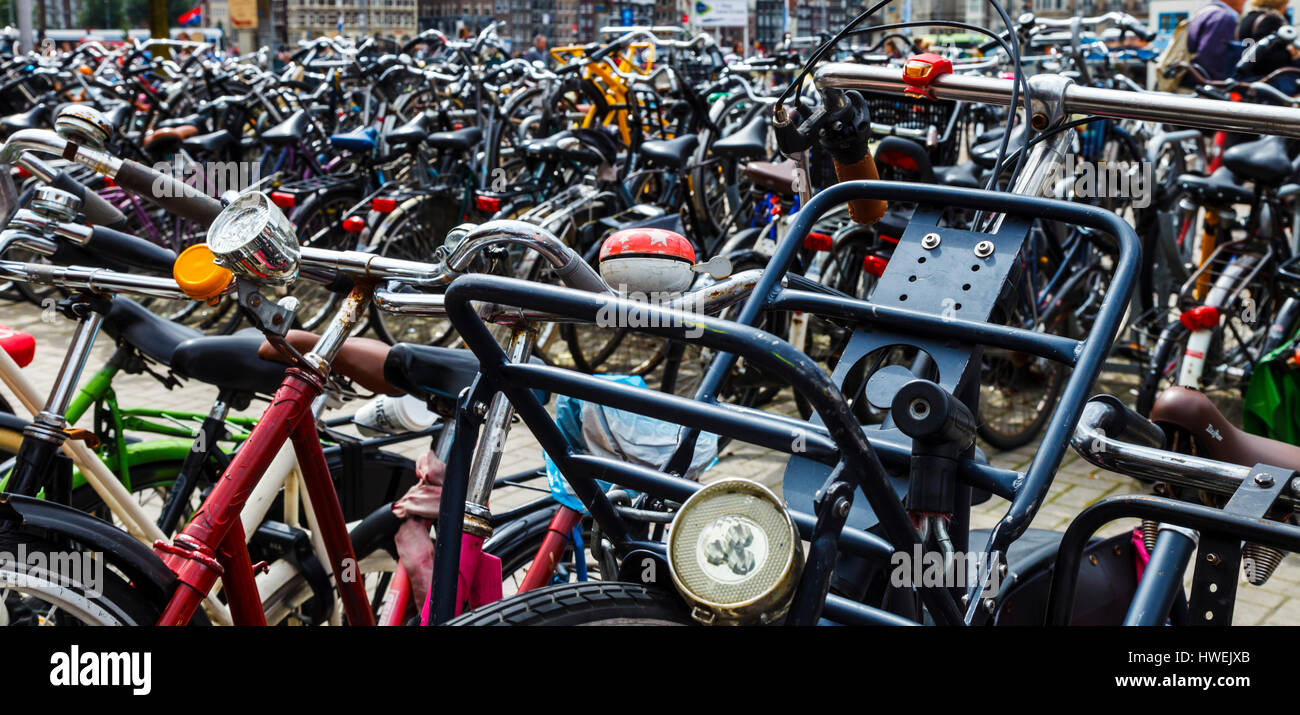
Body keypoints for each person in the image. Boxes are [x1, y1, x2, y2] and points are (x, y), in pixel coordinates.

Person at [1188, 0, 1246, 80]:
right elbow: (1209, 56)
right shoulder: (1222, 17)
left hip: (1191, 79)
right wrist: (1221, 85)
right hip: (1205, 85)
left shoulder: (1206, 11)